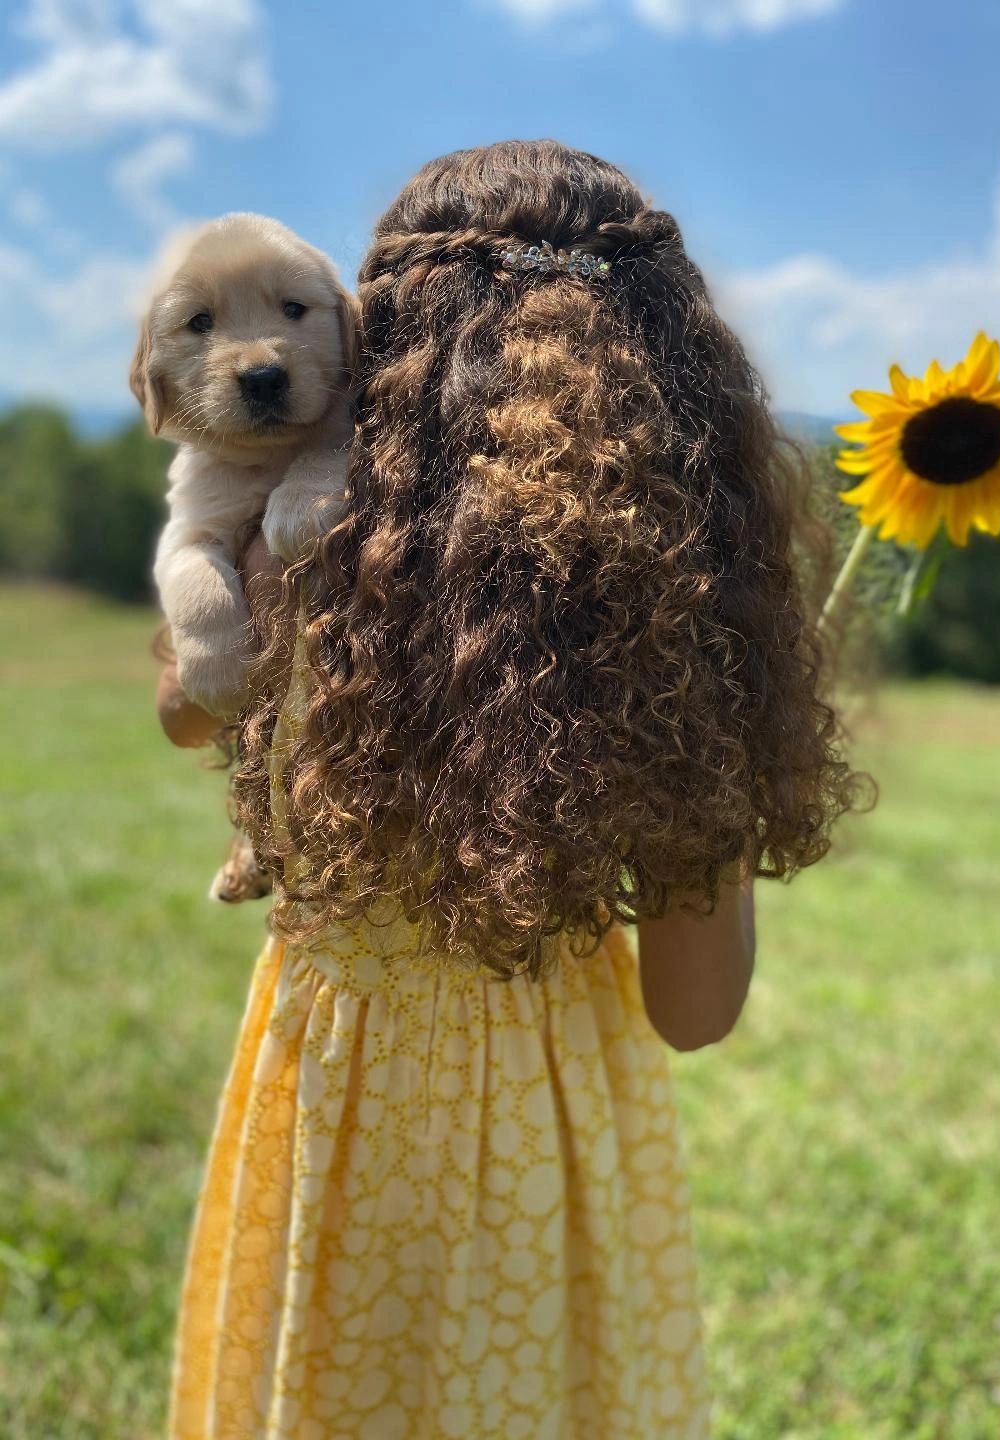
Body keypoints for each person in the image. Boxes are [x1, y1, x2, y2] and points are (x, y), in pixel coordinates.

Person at [158, 139, 862, 1439]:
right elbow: (694, 1009)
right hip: (547, 1138)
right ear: (672, 386)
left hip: (336, 1107)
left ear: (390, 346)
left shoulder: (306, 555)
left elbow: (186, 717)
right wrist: (718, 735)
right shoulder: (665, 642)